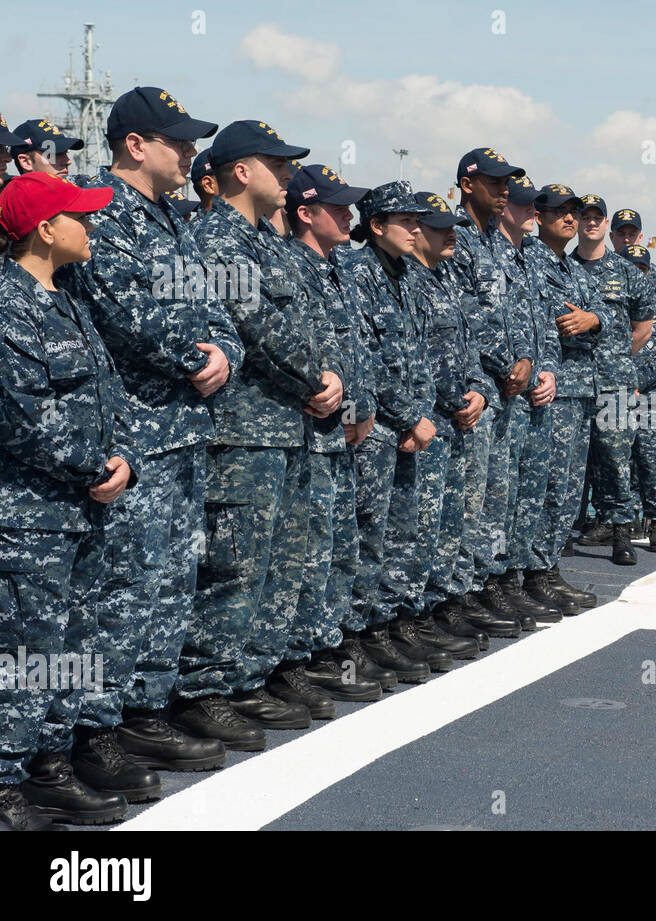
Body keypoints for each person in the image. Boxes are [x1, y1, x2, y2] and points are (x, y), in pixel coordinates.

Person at [56, 86, 235, 793]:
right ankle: (96, 724)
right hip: (131, 429)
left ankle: (144, 706)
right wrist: (199, 359)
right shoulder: (100, 209)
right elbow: (122, 308)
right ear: (136, 145)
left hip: (184, 427)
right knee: (118, 586)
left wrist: (225, 349)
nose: (190, 153)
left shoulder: (175, 219)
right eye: (177, 141)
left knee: (168, 579)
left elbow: (213, 302)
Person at [176, 120, 338, 747]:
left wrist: (333, 381)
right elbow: (255, 323)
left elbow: (308, 323)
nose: (291, 176)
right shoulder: (219, 240)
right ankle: (205, 689)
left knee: (276, 558)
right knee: (234, 563)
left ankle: (251, 674)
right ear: (242, 170)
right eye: (278, 164)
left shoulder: (265, 243)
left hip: (286, 424)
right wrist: (316, 375)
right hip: (242, 433)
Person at [0, 172, 138, 828]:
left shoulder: (66, 297)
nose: (93, 225)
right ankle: (4, 776)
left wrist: (124, 462)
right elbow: (22, 414)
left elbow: (109, 393)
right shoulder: (9, 302)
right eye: (79, 216)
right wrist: (93, 465)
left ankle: (51, 763)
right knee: (27, 650)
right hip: (31, 515)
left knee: (74, 642)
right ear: (45, 228)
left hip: (84, 507)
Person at [282, 164, 388, 705]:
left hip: (343, 430)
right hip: (311, 432)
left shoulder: (335, 268)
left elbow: (357, 350)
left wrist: (360, 411)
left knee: (335, 547)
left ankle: (325, 647)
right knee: (307, 550)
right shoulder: (295, 267)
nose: (349, 215)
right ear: (306, 213)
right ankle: (298, 657)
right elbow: (308, 354)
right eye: (337, 207)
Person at [342, 181, 442, 682]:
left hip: (408, 427)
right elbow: (367, 358)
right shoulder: (357, 274)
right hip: (377, 428)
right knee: (366, 533)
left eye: (418, 220)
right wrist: (407, 417)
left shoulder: (408, 277)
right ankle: (354, 635)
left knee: (401, 529)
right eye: (406, 220)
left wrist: (420, 415)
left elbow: (422, 355)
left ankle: (385, 621)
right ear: (377, 226)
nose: (416, 228)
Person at [407, 191, 497, 652]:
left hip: (457, 419)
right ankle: (415, 615)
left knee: (451, 520)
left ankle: (440, 605)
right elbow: (411, 358)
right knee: (416, 525)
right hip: (427, 422)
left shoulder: (445, 281)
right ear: (416, 230)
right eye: (442, 228)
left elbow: (469, 347)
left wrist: (479, 388)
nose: (451, 236)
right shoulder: (410, 282)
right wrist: (446, 400)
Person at [449, 148, 535, 627]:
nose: (505, 190)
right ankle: (460, 595)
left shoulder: (501, 245)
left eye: (508, 183)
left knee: (497, 494)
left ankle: (486, 582)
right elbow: (468, 316)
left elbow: (519, 315)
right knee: (468, 497)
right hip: (479, 387)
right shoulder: (456, 239)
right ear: (468, 185)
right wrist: (508, 364)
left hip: (508, 391)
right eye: (495, 182)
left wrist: (524, 359)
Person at [526, 184, 609, 608]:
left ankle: (549, 564)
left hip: (579, 392)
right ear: (537, 215)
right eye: (559, 210)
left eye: (574, 210)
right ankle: (533, 571)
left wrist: (591, 318)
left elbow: (606, 316)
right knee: (545, 484)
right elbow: (543, 322)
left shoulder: (575, 269)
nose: (570, 218)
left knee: (569, 488)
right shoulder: (528, 260)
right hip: (548, 392)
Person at [572, 194, 654, 565]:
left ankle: (622, 534)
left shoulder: (623, 270)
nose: (591, 223)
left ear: (606, 225)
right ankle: (564, 534)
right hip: (572, 381)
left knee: (617, 461)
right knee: (571, 462)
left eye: (597, 217)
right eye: (584, 217)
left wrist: (618, 354)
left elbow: (644, 325)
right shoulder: (562, 268)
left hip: (615, 382)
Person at [496, 176, 563, 620]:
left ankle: (519, 575)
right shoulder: (477, 251)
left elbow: (549, 322)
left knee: (528, 493)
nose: (533, 213)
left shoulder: (533, 257)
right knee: (494, 499)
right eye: (524, 205)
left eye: (536, 207)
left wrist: (550, 369)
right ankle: (492, 583)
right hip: (500, 398)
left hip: (535, 399)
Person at [611, 210, 656, 552]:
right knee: (614, 461)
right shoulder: (610, 304)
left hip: (649, 393)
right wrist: (623, 379)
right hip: (615, 394)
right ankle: (619, 527)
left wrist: (639, 378)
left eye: (642, 269)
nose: (637, 274)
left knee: (652, 461)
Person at [7, 120, 83, 178]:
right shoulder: (11, 197)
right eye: (54, 154)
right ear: (26, 162)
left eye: (65, 152)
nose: (68, 161)